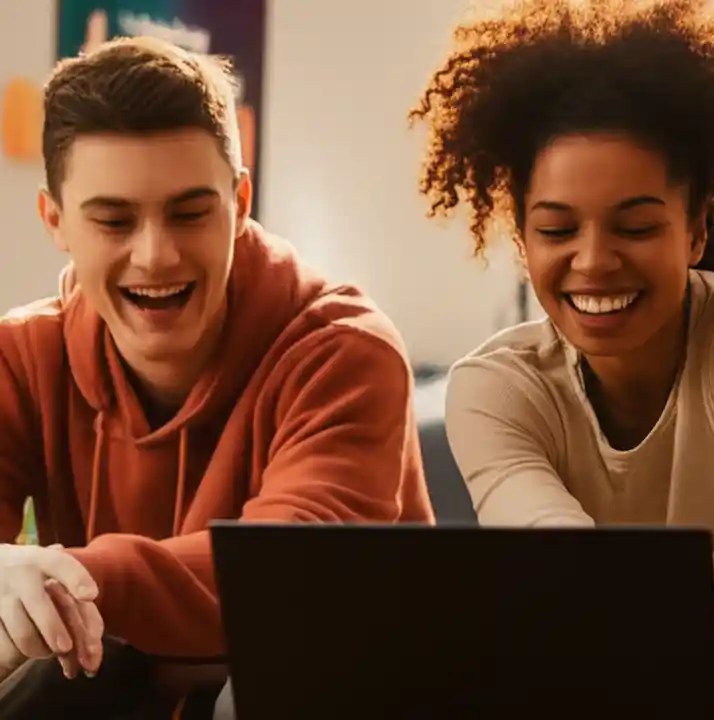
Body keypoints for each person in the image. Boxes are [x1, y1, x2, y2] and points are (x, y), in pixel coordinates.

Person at [411, 0, 714, 713]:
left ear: (695, 230)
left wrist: (637, 674)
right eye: (557, 228)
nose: (594, 262)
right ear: (523, 239)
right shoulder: (493, 390)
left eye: (635, 225)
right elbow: (568, 570)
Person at [0, 36, 432, 716]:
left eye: (191, 213)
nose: (156, 255)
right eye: (113, 220)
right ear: (55, 220)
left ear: (241, 201)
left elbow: (285, 583)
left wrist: (66, 580)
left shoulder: (348, 352)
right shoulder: (21, 357)